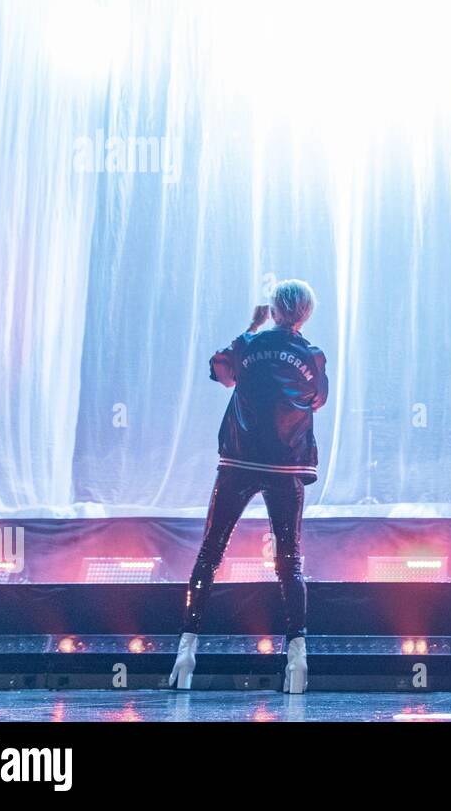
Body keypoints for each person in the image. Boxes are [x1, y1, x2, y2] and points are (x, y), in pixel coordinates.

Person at [169, 280, 329, 694]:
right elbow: (317, 399)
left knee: (209, 554)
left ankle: (186, 652)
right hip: (286, 466)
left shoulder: (248, 344)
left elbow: (218, 371)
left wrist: (250, 328)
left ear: (273, 309)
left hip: (239, 462)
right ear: (305, 314)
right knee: (290, 561)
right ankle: (297, 659)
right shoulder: (312, 355)